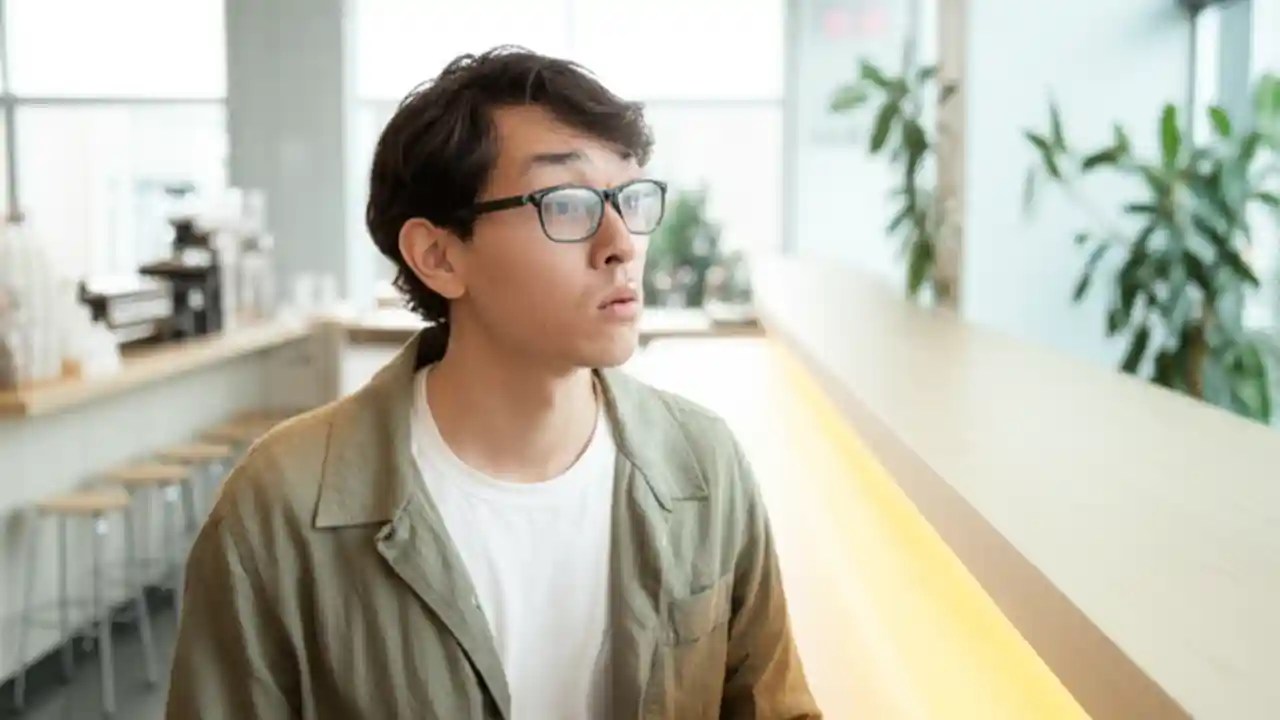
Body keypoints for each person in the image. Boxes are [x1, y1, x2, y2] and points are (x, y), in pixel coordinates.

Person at [166, 46, 820, 720]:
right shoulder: (282, 505)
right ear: (440, 257)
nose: (621, 242)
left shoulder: (703, 464)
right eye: (567, 204)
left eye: (628, 195)